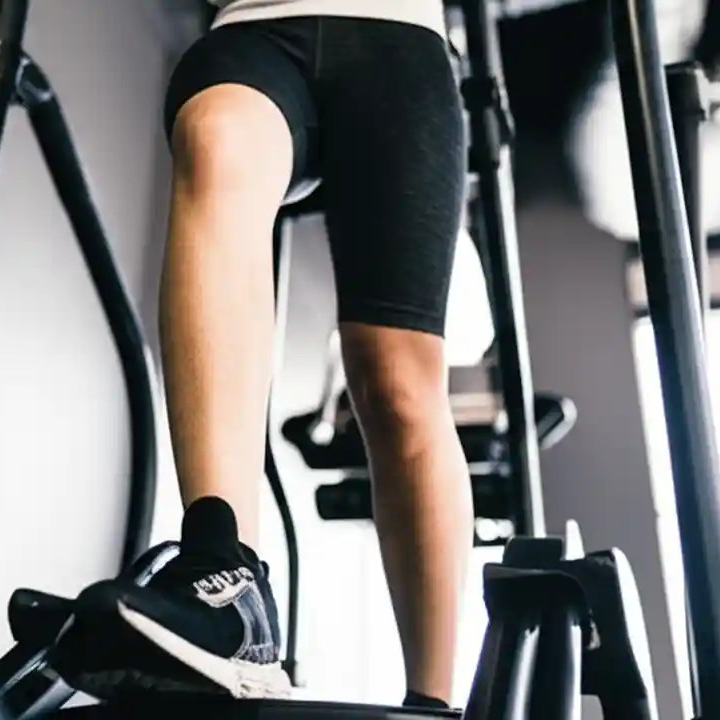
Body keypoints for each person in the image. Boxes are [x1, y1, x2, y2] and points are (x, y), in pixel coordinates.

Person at [54, 0, 473, 711]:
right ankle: (225, 577)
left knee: (395, 385)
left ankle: (432, 702)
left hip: (398, 45)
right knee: (216, 136)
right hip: (253, 32)